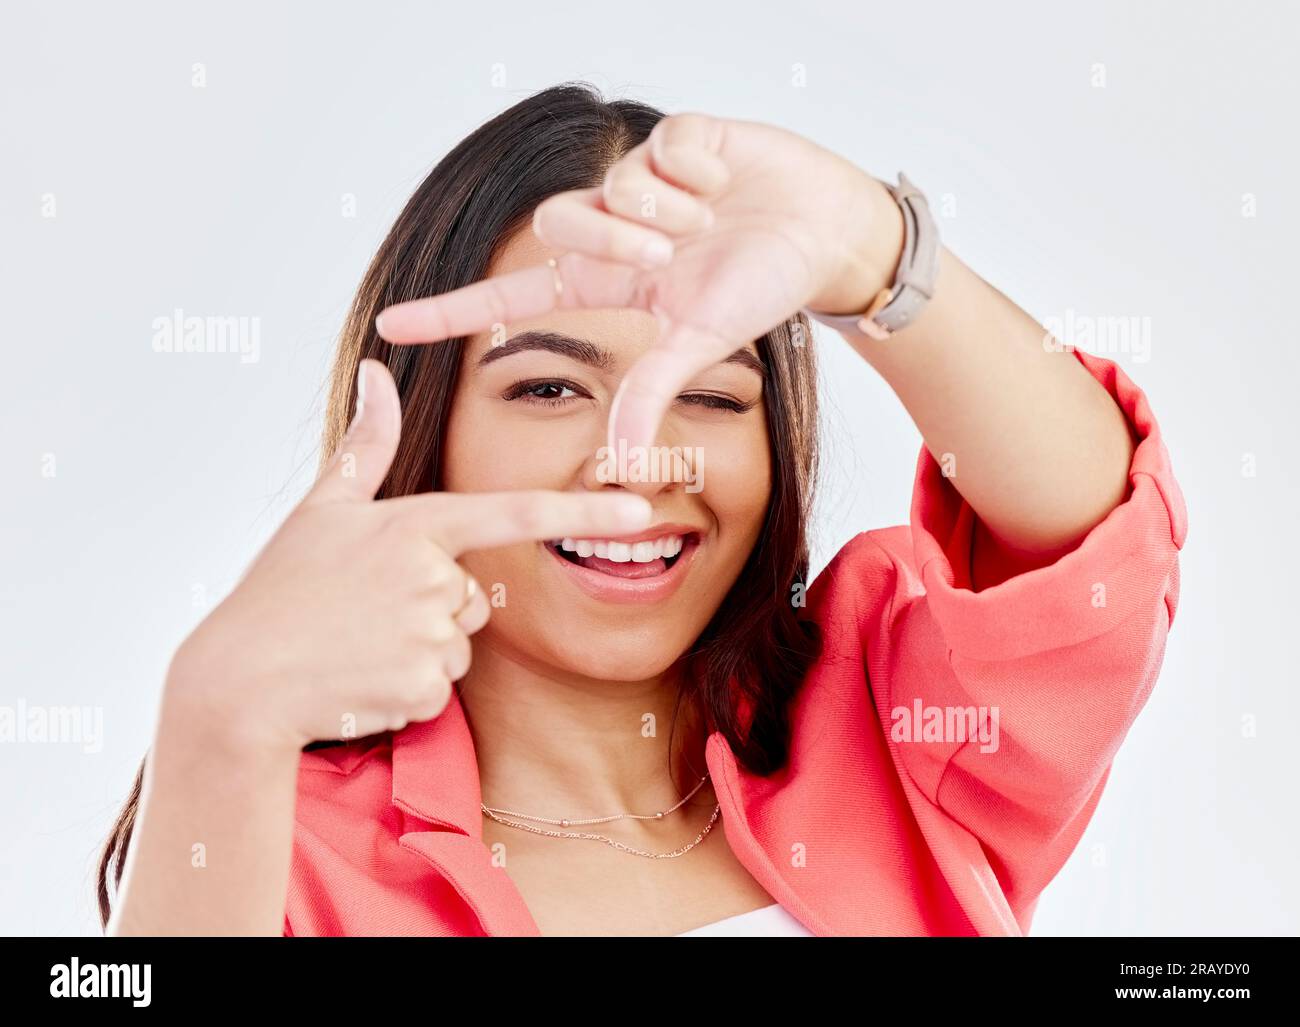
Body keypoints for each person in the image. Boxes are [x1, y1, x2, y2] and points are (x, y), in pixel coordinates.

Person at [98, 82, 1186, 937]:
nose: (637, 456)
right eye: (546, 387)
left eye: (710, 394)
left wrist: (868, 252)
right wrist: (215, 712)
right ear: (429, 437)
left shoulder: (887, 717)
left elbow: (1092, 548)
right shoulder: (291, 853)